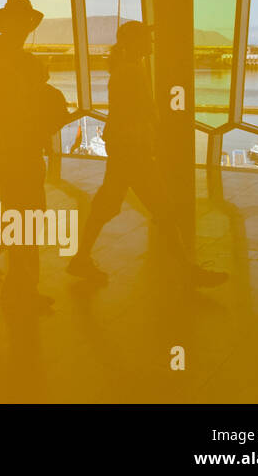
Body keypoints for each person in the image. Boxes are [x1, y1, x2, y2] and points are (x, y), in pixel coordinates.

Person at [67, 21, 227, 286]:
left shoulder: (124, 70)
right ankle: (187, 270)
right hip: (132, 150)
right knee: (162, 208)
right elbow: (137, 113)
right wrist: (148, 139)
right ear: (134, 42)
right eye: (147, 39)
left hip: (124, 149)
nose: (151, 43)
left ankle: (81, 258)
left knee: (108, 205)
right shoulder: (132, 72)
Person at [0, 0, 60, 309]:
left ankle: (17, 285)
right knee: (28, 214)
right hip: (19, 150)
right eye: (24, 23)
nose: (26, 29)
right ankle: (21, 288)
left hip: (7, 149)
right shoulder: (16, 60)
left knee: (22, 214)